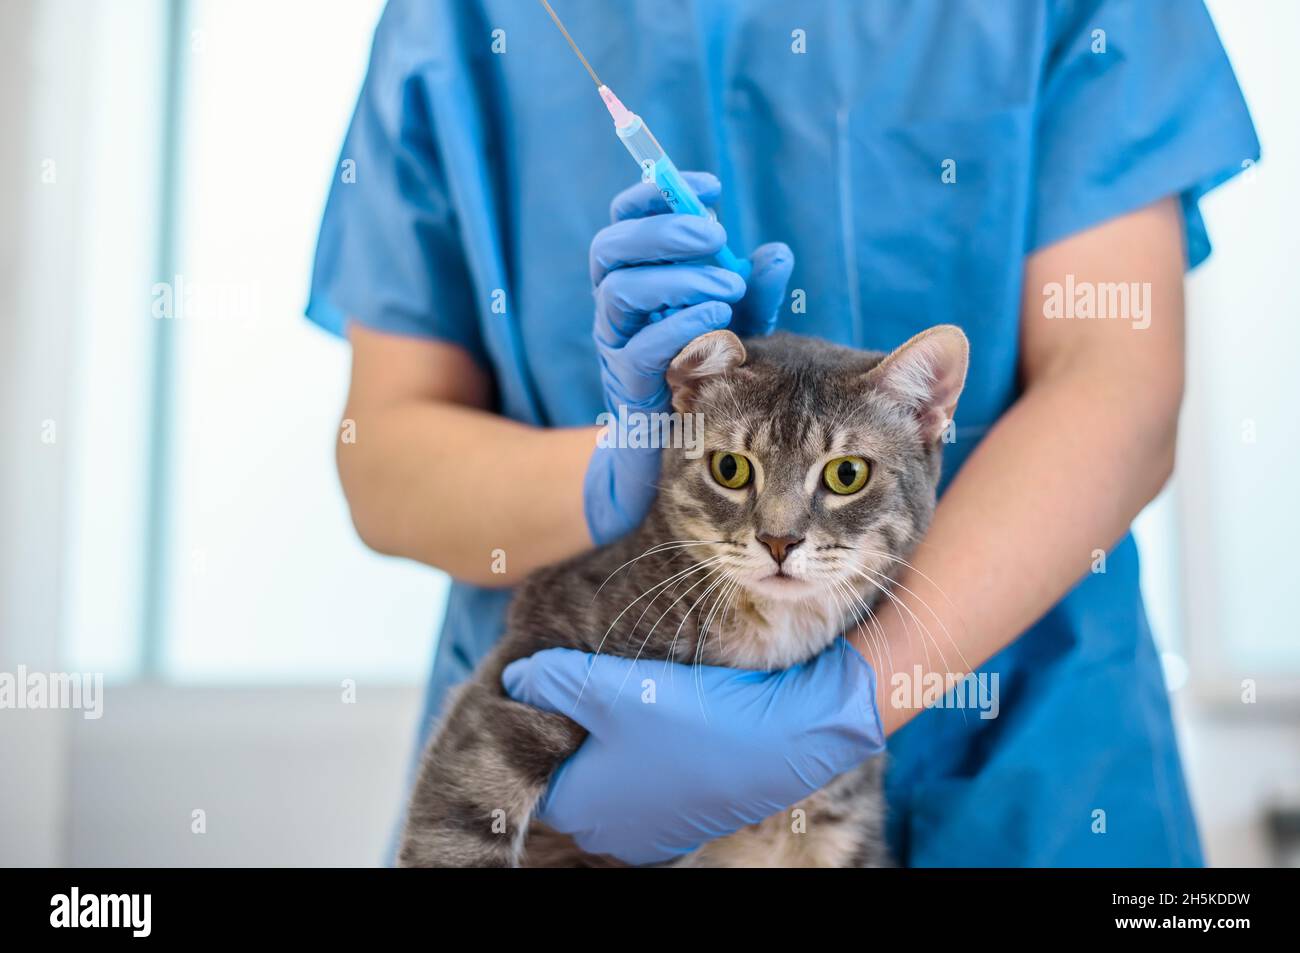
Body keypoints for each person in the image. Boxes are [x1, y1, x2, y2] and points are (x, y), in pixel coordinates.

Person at [307, 0, 1258, 866]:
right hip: (576, 757)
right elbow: (384, 456)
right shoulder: (456, 22)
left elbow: (1117, 383)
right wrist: (618, 470)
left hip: (1027, 763)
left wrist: (848, 700)